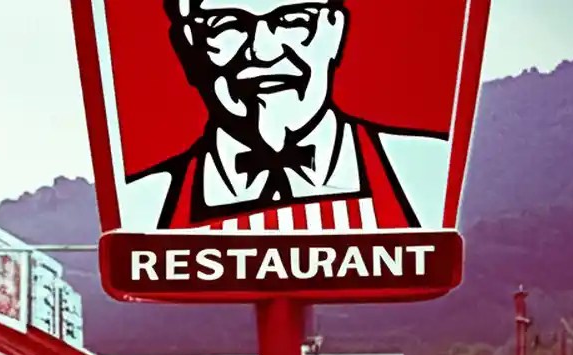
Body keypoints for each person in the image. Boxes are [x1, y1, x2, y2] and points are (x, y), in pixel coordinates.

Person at [129, 0, 433, 231]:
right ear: (188, 47)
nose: (264, 51)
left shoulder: (420, 169)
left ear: (335, 33)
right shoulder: (146, 201)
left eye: (293, 20)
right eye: (227, 25)